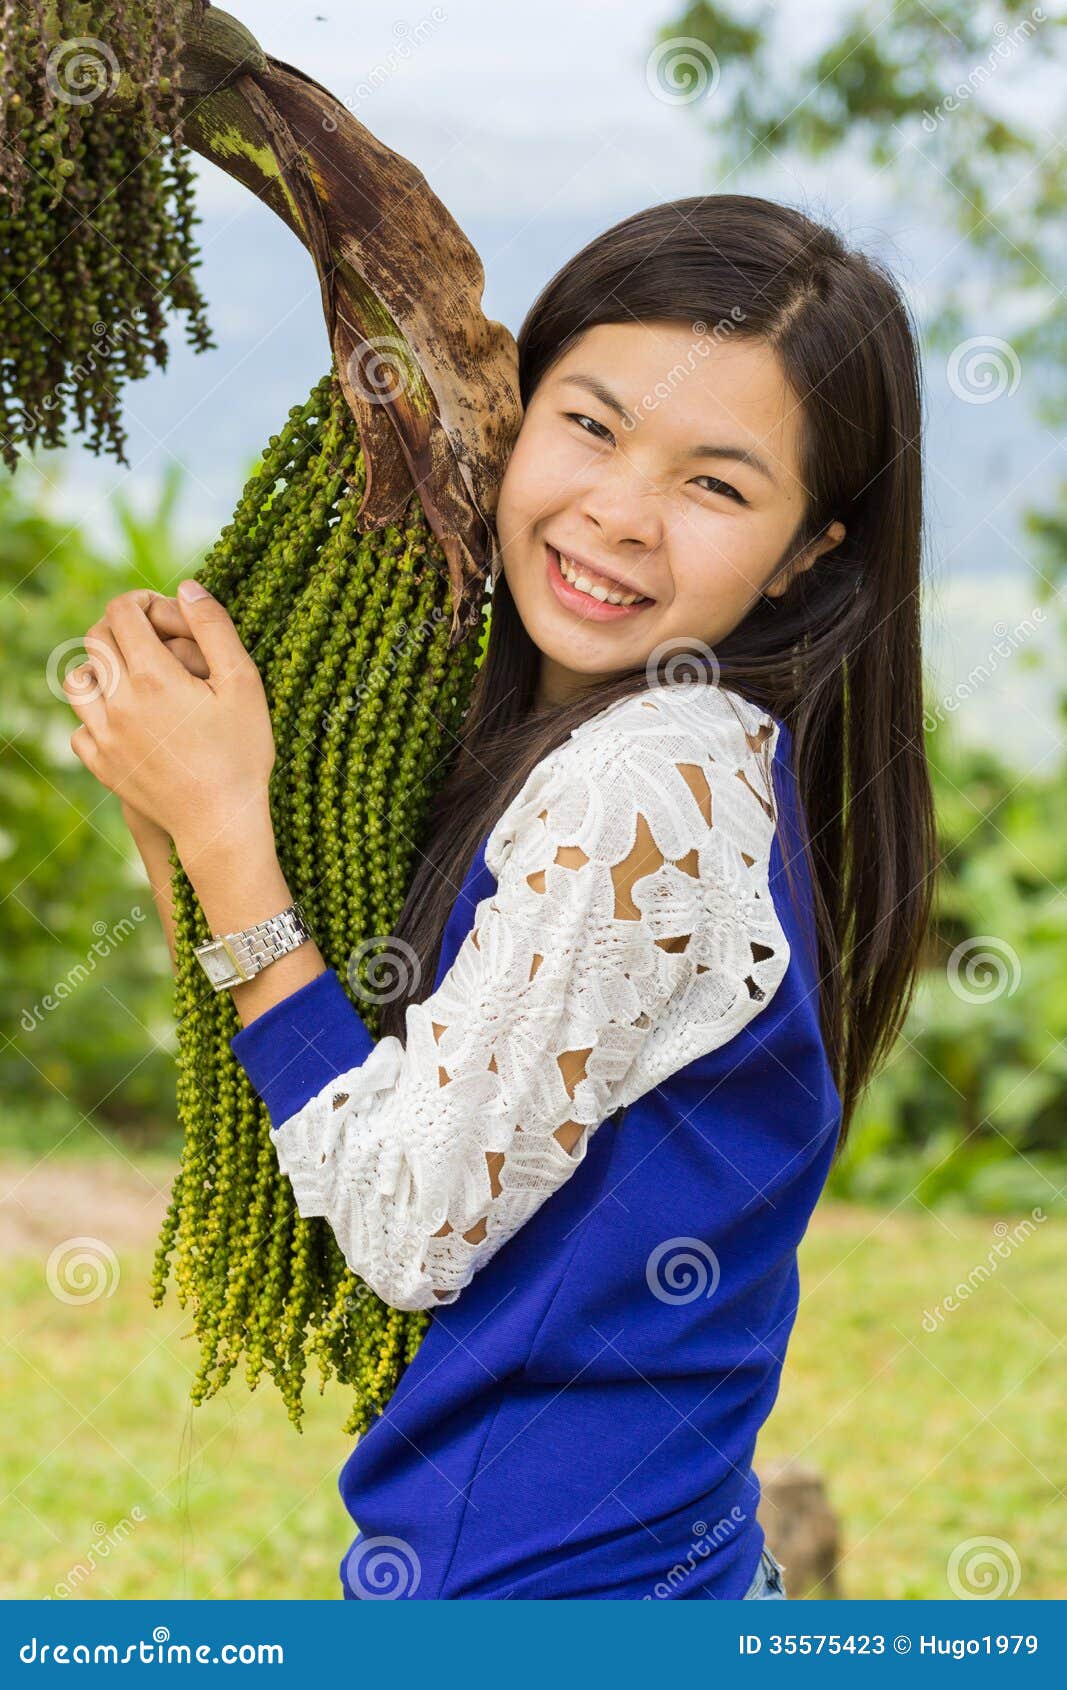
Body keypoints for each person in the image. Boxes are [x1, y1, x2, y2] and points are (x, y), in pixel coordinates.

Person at [63, 193, 935, 1600]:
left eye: (715, 485)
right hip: (633, 1578)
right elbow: (335, 1117)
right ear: (509, 409)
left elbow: (404, 1224)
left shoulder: (642, 787)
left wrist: (227, 830)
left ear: (804, 553)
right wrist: (174, 803)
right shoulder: (634, 745)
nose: (618, 514)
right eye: (589, 425)